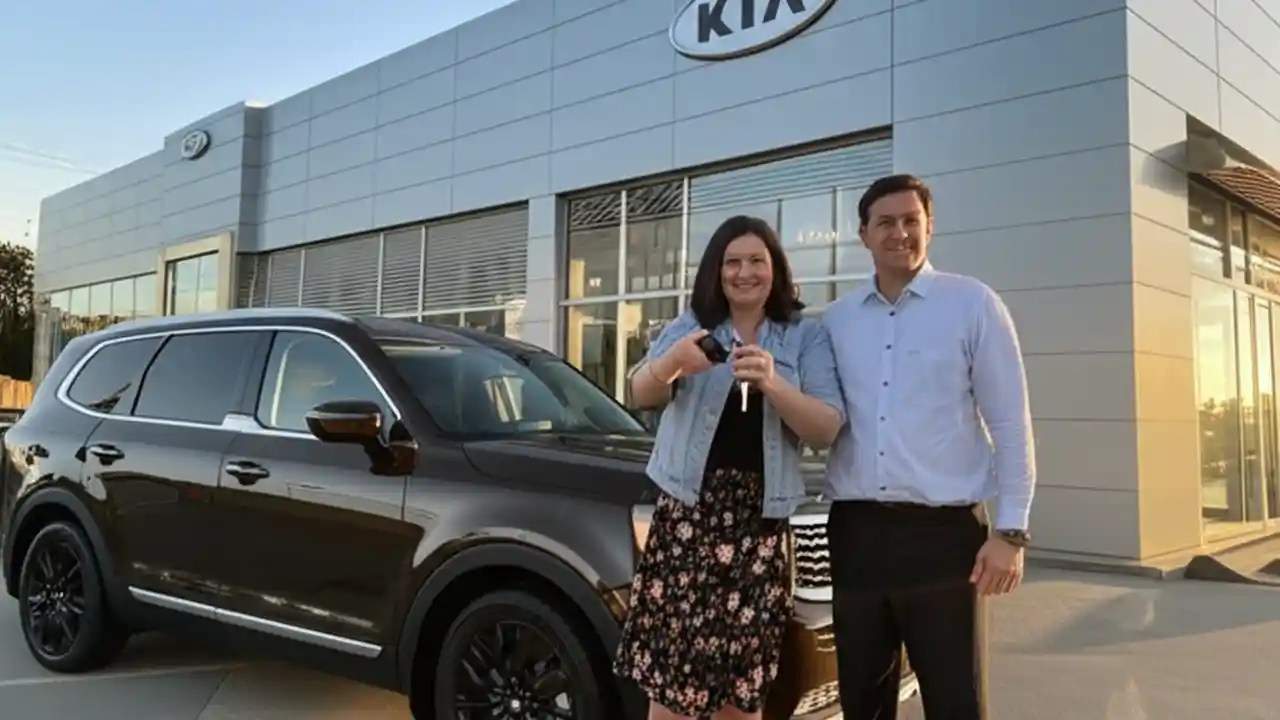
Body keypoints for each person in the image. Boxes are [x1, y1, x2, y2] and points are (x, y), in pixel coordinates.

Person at [614, 215, 846, 720]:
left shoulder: (805, 337)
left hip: (757, 532)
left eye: (757, 261)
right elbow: (639, 392)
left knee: (742, 696)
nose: (745, 273)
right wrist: (673, 361)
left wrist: (774, 383)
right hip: (687, 523)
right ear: (717, 271)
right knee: (672, 692)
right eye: (733, 261)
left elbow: (827, 427)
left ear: (775, 269)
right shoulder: (691, 323)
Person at [822, 174, 1036, 719]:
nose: (900, 233)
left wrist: (1011, 532)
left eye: (911, 221)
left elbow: (1011, 424)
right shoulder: (838, 321)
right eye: (886, 223)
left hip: (944, 540)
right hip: (857, 535)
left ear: (929, 226)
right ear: (863, 234)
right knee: (862, 702)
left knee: (954, 701)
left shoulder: (972, 305)